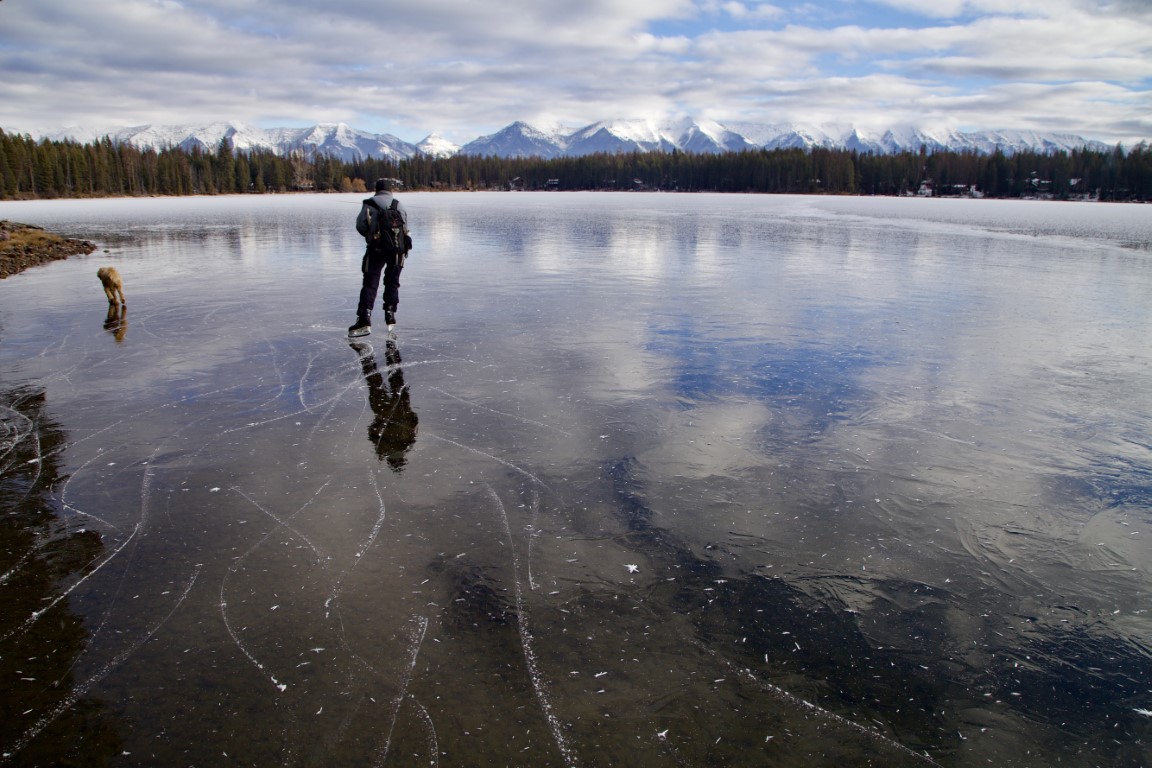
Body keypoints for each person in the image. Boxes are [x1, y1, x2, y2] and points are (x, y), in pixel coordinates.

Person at [349, 178, 411, 337]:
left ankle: (364, 318)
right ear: (390, 190)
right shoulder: (398, 204)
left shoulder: (369, 203)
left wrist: (372, 234)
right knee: (392, 282)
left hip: (376, 249)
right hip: (397, 250)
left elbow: (360, 226)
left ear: (376, 189)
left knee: (370, 283)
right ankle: (390, 315)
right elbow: (405, 227)